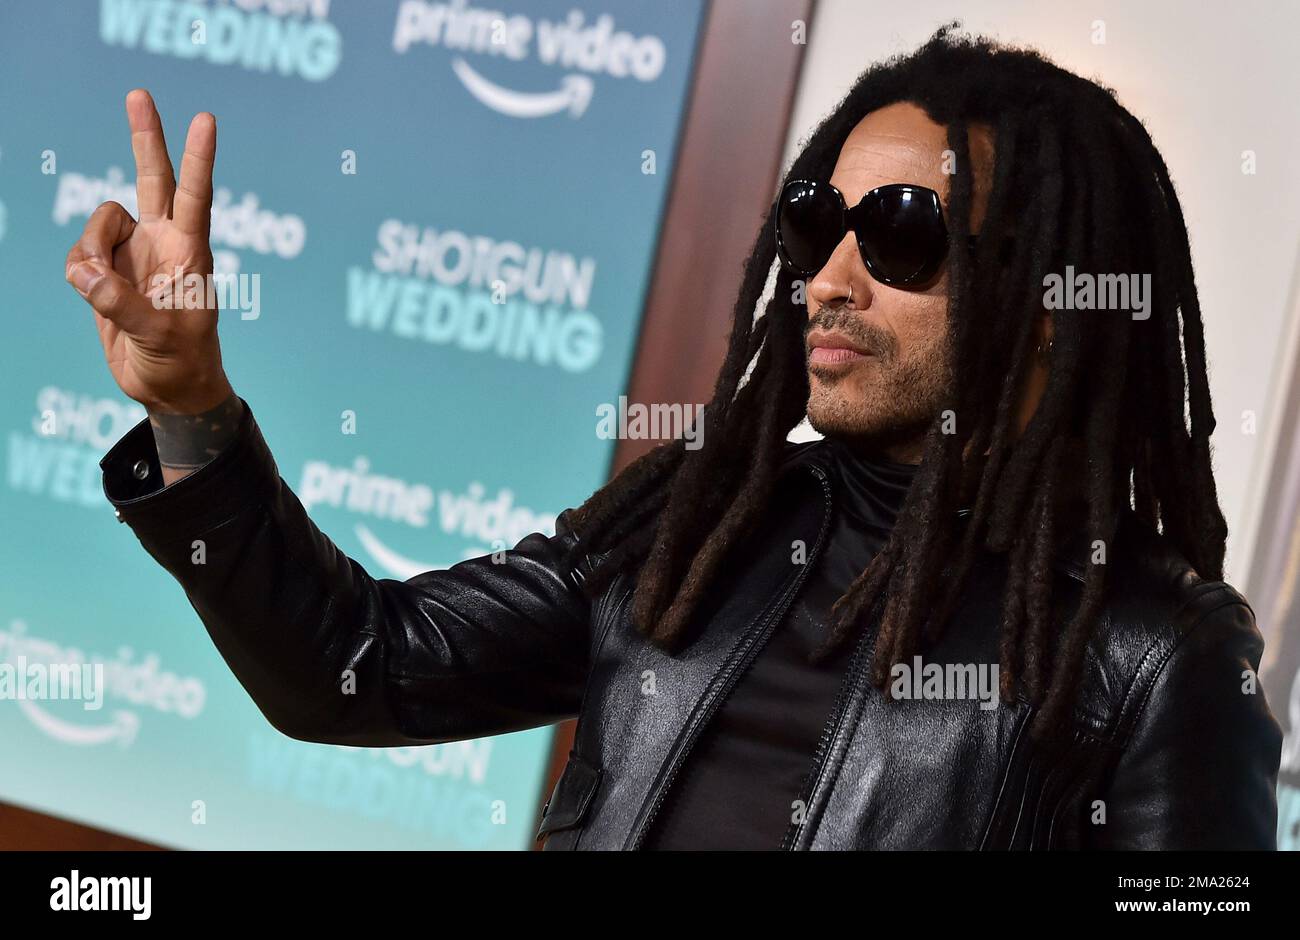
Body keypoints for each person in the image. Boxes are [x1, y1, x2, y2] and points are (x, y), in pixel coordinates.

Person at [66, 26, 1281, 850]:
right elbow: (353, 666)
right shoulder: (694, 527)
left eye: (904, 235)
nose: (831, 280)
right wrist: (189, 400)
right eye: (818, 224)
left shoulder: (1152, 659)